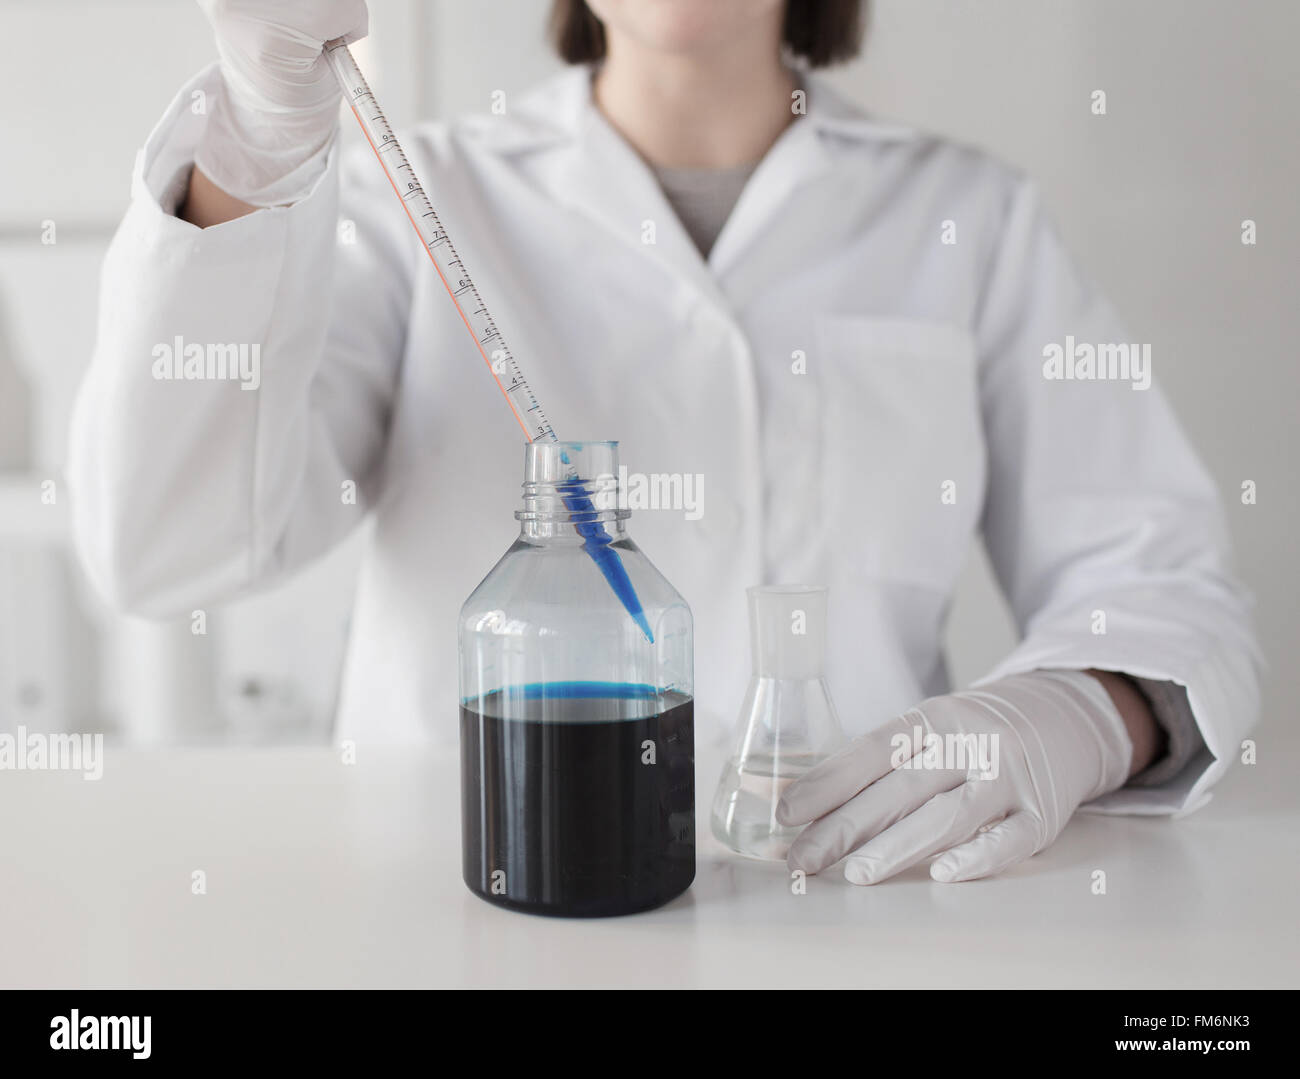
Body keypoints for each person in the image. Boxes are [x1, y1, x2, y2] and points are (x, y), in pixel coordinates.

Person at [68, 0, 1260, 885]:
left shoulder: (970, 219)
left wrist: (1090, 711)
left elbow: (1150, 573)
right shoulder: (412, 194)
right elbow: (170, 549)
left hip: (862, 902)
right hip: (463, 915)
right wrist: (255, 153)